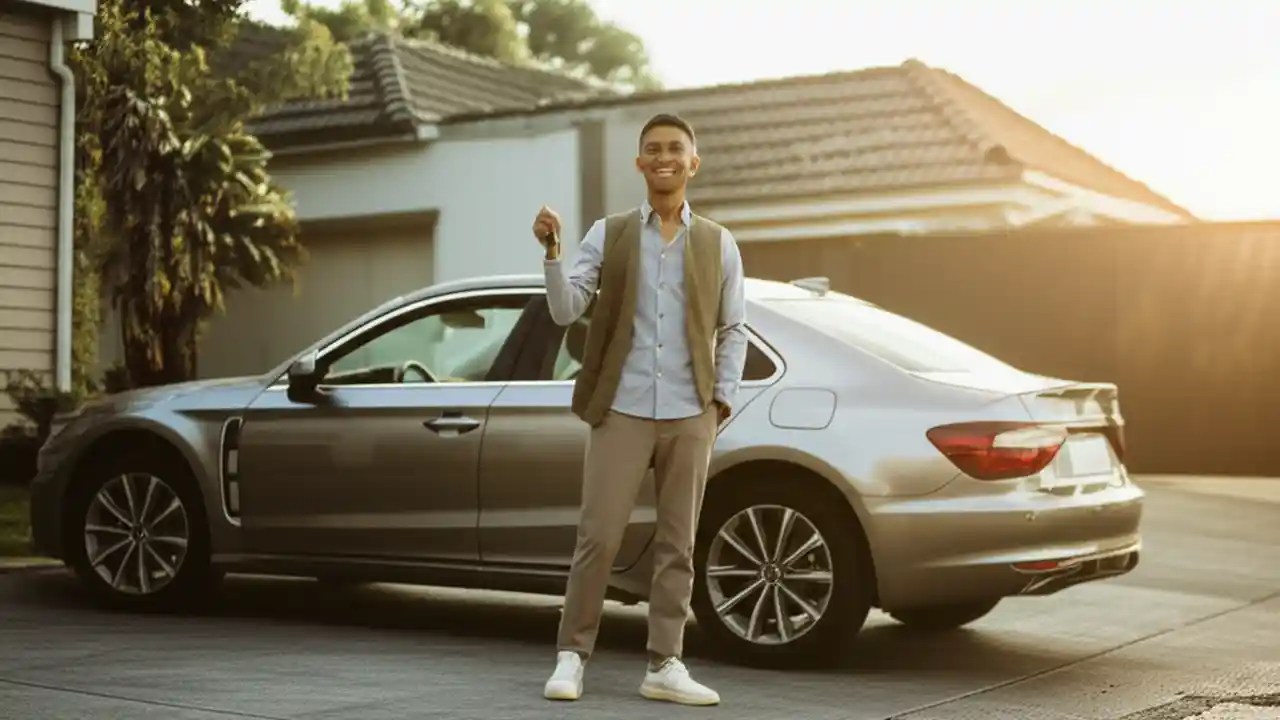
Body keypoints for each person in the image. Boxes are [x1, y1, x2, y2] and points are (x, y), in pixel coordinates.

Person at [532, 113, 747, 706]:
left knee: (678, 545)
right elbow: (564, 309)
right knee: (597, 537)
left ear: (692, 162)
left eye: (675, 148)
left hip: (689, 412)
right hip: (622, 408)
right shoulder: (612, 232)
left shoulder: (719, 242)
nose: (664, 157)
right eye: (652, 149)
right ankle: (571, 656)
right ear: (639, 163)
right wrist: (552, 252)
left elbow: (734, 330)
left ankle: (665, 664)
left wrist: (719, 401)